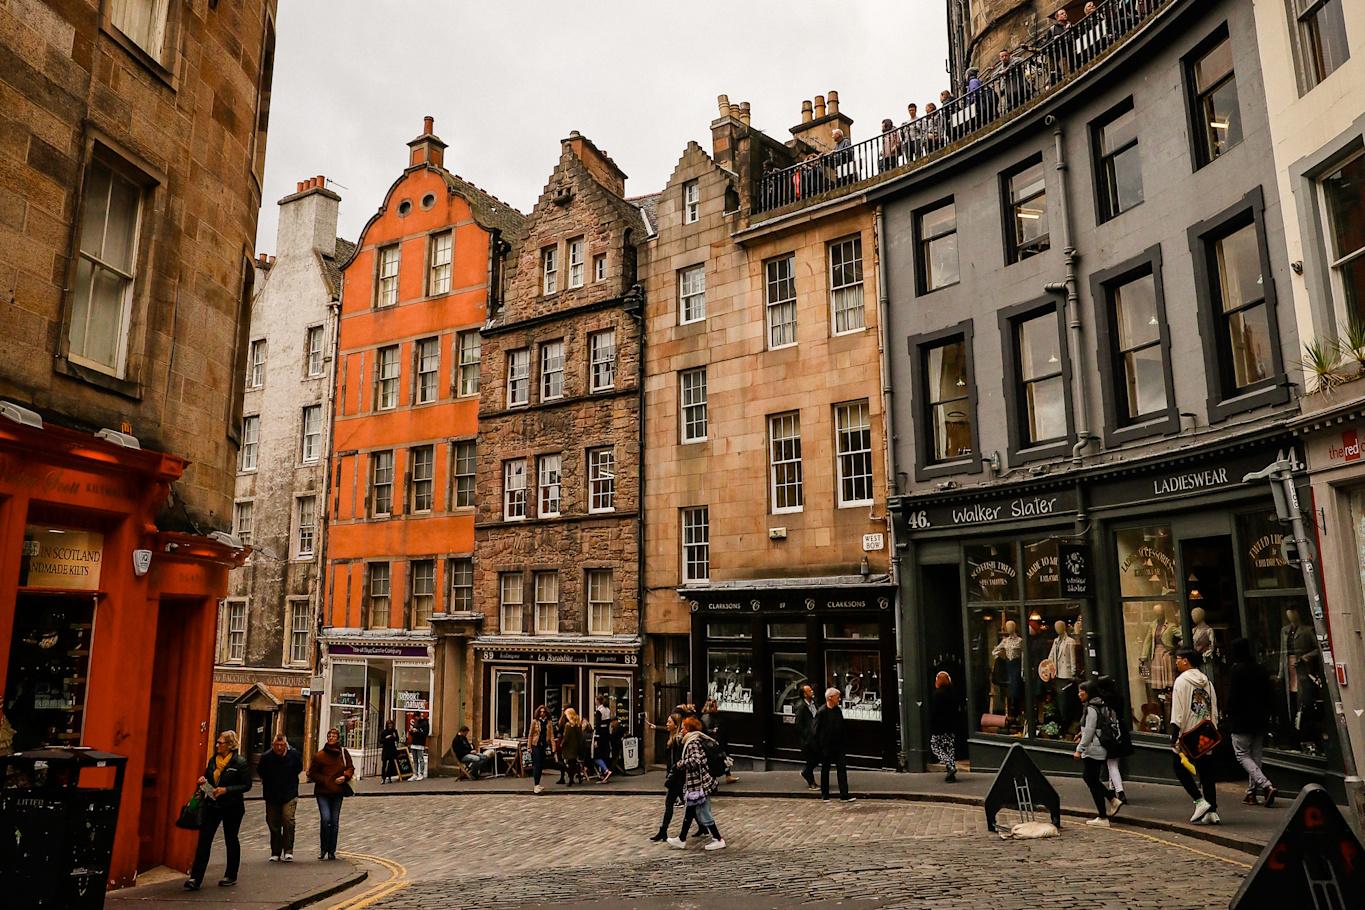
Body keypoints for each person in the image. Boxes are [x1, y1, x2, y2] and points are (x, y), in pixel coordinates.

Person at [185, 730, 252, 890]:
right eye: (217, 742)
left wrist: (227, 790)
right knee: (204, 840)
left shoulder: (239, 763)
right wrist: (202, 781)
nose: (217, 745)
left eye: (220, 743)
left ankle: (231, 874)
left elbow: (246, 785)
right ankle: (195, 878)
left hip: (232, 807)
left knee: (231, 838)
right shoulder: (213, 761)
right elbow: (208, 778)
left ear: (229, 745)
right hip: (213, 805)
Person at [1170, 648, 1221, 824]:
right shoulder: (1206, 681)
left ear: (1186, 661)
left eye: (1177, 659)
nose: (1176, 662)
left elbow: (1178, 712)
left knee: (1178, 766)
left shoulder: (1181, 682)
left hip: (1188, 733)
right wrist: (1214, 728)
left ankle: (1199, 801)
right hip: (1206, 732)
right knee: (1207, 771)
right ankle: (1212, 810)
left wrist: (1174, 736)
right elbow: (1213, 706)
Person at [1225, 638, 1277, 806]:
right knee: (1255, 757)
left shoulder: (1236, 671)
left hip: (1241, 720)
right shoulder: (1261, 670)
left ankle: (1266, 785)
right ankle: (1251, 793)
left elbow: (1233, 698)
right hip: (1260, 720)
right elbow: (1269, 694)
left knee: (1242, 755)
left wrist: (1228, 715)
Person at [667, 716, 726, 850]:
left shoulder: (692, 742)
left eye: (683, 728)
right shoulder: (693, 740)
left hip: (698, 784)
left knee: (704, 812)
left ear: (688, 729)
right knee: (690, 811)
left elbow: (696, 760)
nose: (681, 730)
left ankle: (718, 838)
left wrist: (680, 764)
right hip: (696, 784)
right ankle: (681, 838)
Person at [1074, 679, 1120, 827]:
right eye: (1079, 690)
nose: (1079, 693)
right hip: (1098, 747)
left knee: (1090, 779)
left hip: (1094, 749)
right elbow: (1092, 728)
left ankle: (1103, 816)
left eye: (1083, 691)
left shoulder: (1091, 708)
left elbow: (1090, 730)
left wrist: (1079, 749)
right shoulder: (1099, 704)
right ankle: (1112, 800)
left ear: (1090, 692)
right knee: (1091, 779)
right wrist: (1080, 735)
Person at [308, 728, 353, 862]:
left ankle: (331, 851)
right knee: (326, 819)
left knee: (334, 822)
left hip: (337, 792)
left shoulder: (343, 753)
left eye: (334, 736)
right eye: (329, 735)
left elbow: (350, 767)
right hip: (323, 792)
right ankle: (323, 849)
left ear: (338, 738)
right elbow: (312, 773)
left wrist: (345, 776)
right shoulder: (319, 756)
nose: (331, 738)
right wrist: (326, 780)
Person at [257, 733, 302, 863]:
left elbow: (298, 768)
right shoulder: (266, 757)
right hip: (272, 794)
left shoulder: (294, 755)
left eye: (281, 745)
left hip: (289, 793)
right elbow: (261, 772)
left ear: (286, 745)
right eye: (276, 745)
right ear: (273, 745)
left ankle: (288, 850)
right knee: (273, 824)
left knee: (288, 820)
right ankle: (275, 851)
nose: (279, 748)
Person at [1097, 675, 1133, 806]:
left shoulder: (1101, 700)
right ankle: (1112, 790)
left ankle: (1120, 792)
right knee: (1115, 762)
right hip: (1120, 730)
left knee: (1111, 764)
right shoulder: (1119, 697)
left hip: (1108, 732)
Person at [814, 687, 854, 802]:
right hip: (826, 747)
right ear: (830, 698)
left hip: (839, 746)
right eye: (837, 697)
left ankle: (844, 795)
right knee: (825, 770)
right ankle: (825, 795)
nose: (839, 699)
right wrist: (819, 746)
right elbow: (815, 730)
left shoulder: (838, 710)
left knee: (842, 770)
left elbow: (842, 726)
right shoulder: (821, 712)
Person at [651, 713, 686, 842]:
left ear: (675, 725)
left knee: (670, 803)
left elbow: (676, 761)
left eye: (669, 722)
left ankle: (663, 831)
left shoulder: (677, 740)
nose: (667, 724)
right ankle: (703, 826)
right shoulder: (672, 738)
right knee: (690, 805)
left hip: (677, 778)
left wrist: (672, 774)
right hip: (675, 777)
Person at [929, 672, 962, 782]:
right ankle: (951, 775)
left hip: (939, 726)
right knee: (950, 749)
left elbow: (934, 712)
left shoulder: (937, 694)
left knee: (935, 746)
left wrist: (932, 724)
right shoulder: (953, 693)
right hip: (951, 726)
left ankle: (950, 766)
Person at [701, 699, 738, 783]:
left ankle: (728, 775)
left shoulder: (712, 715)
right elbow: (705, 730)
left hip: (718, 740)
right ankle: (722, 776)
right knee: (718, 758)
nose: (717, 707)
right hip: (714, 742)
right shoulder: (707, 717)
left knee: (724, 757)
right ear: (711, 707)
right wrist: (713, 731)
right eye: (715, 706)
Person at [795, 683, 820, 791]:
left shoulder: (814, 703)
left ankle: (805, 772)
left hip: (817, 736)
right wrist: (807, 736)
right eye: (809, 691)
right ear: (804, 694)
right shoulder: (801, 707)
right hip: (808, 738)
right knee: (811, 759)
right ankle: (811, 782)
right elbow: (798, 725)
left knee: (818, 757)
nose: (812, 692)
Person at [527, 705, 552, 794]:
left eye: (543, 712)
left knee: (541, 765)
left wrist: (553, 747)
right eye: (540, 712)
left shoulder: (549, 722)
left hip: (543, 745)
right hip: (535, 744)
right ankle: (536, 785)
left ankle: (538, 783)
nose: (542, 713)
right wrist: (529, 747)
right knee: (536, 764)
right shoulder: (535, 722)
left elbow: (551, 735)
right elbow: (530, 735)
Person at [592, 696, 614, 782]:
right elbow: (608, 722)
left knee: (598, 754)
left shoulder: (599, 711)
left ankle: (604, 771)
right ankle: (606, 770)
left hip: (601, 734)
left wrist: (596, 738)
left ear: (598, 701)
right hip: (606, 733)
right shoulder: (607, 710)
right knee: (606, 752)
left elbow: (598, 725)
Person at [560, 708, 583, 786]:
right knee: (573, 763)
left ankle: (571, 779)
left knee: (568, 764)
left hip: (568, 747)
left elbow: (566, 737)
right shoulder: (578, 724)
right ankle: (579, 775)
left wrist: (561, 744)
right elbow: (580, 736)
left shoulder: (568, 725)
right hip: (575, 746)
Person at [408, 712, 430, 781]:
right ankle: (415, 774)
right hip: (414, 742)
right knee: (414, 760)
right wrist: (411, 731)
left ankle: (421, 774)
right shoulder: (416, 722)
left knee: (420, 759)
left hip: (420, 743)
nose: (415, 719)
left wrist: (417, 731)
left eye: (416, 717)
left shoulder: (425, 723)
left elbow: (425, 733)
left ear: (419, 716)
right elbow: (413, 732)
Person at [379, 719, 400, 783]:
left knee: (391, 764)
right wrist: (386, 738)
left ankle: (389, 777)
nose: (390, 726)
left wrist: (393, 736)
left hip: (392, 749)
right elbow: (381, 741)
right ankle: (383, 778)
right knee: (384, 764)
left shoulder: (394, 731)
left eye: (391, 725)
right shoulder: (384, 732)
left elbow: (397, 739)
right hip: (386, 749)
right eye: (389, 725)